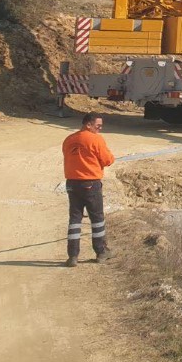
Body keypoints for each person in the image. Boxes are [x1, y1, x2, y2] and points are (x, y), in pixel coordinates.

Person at [62, 112, 115, 267]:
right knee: (97, 219)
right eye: (98, 126)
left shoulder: (69, 140)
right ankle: (101, 252)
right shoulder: (95, 139)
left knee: (75, 220)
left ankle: (72, 256)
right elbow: (107, 160)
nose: (99, 129)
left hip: (72, 183)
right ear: (88, 124)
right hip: (90, 183)